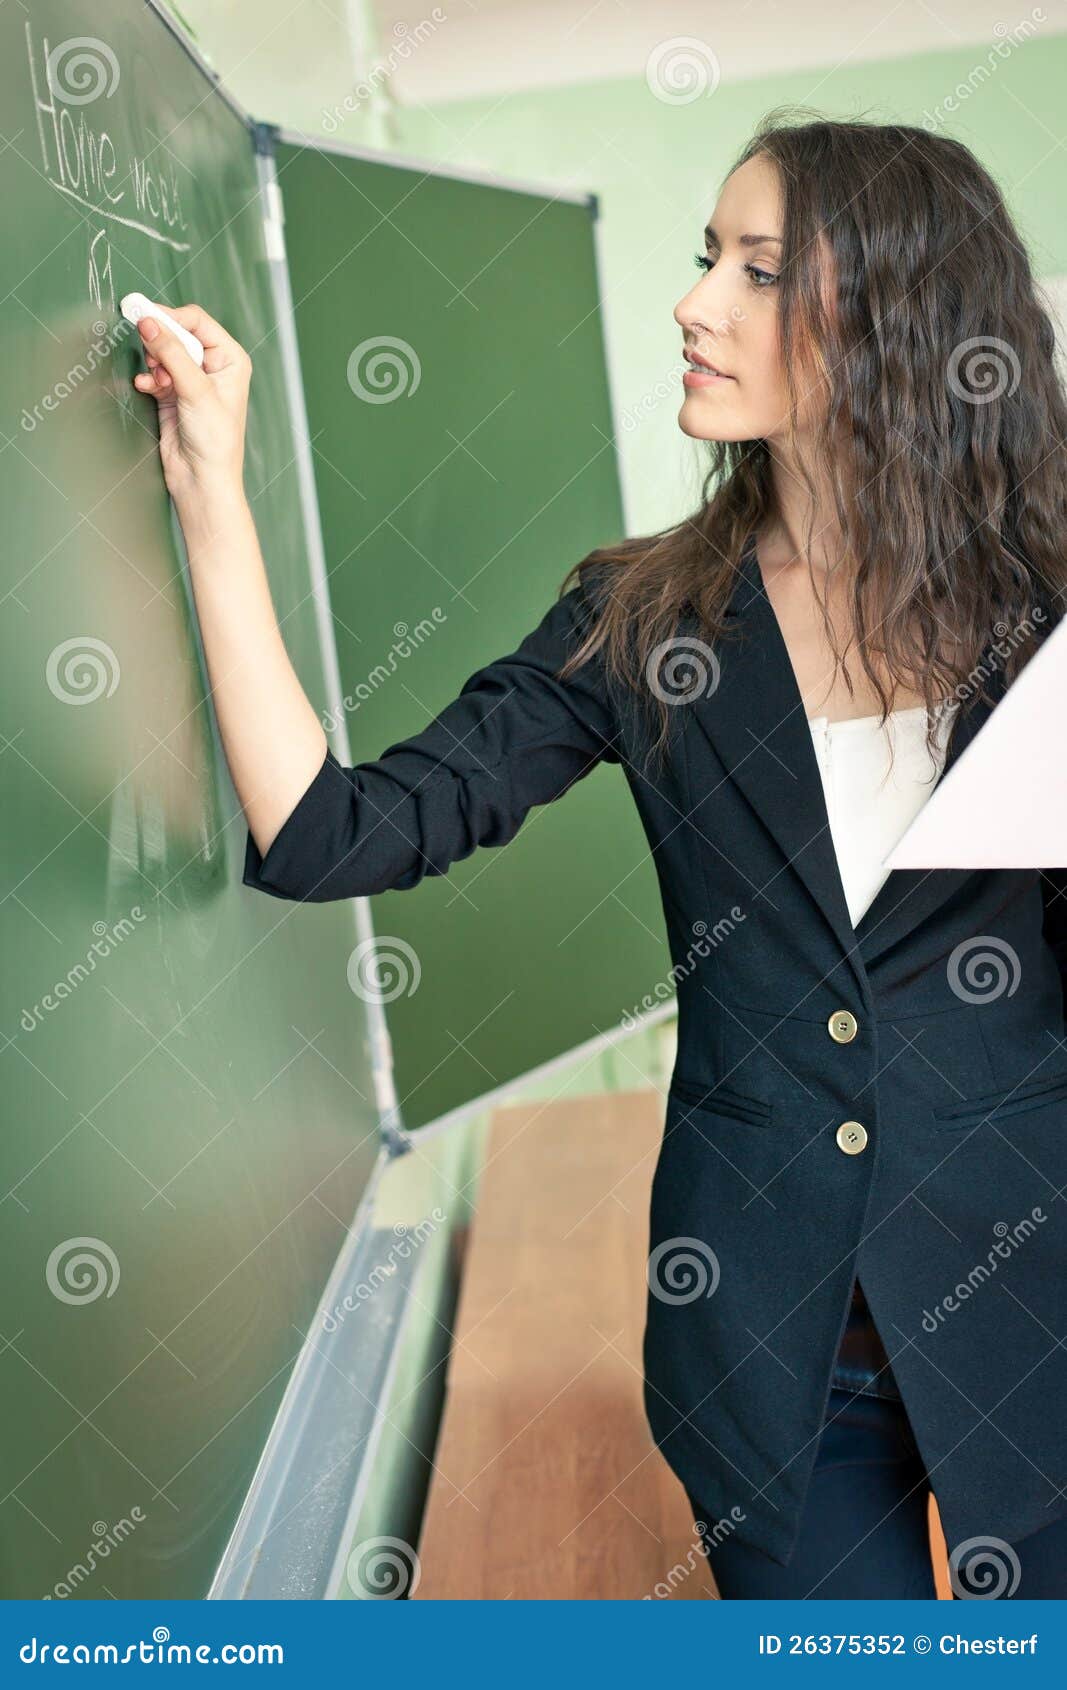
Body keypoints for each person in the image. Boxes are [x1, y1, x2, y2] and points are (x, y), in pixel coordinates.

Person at [132, 110, 1067, 1599]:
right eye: (709, 260)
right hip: (775, 1356)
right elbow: (330, 832)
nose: (695, 303)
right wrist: (210, 497)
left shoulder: (1045, 613)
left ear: (897, 312)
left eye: (760, 270)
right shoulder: (644, 624)